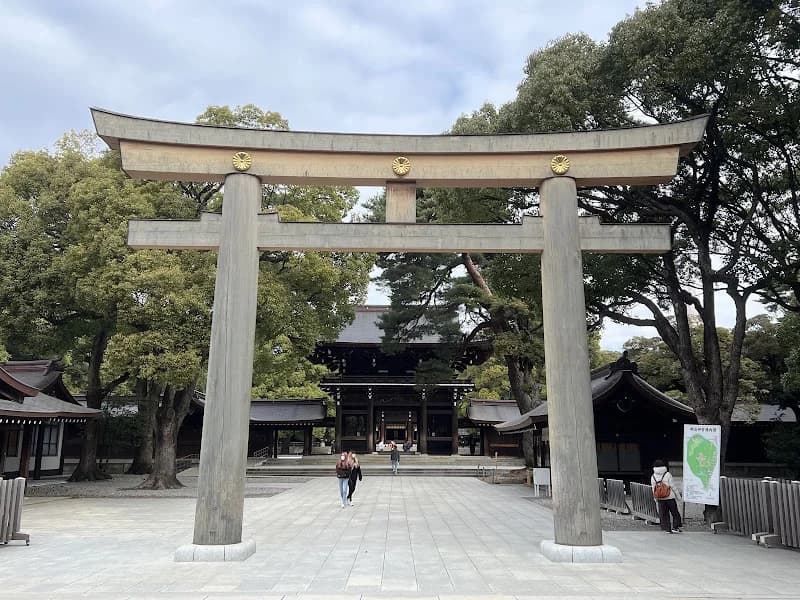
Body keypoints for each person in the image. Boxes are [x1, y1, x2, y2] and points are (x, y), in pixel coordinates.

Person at [651, 459, 683, 533]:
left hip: (660, 498)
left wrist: (655, 498)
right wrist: (678, 497)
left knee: (664, 514)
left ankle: (667, 529)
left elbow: (653, 489)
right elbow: (673, 486)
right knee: (675, 512)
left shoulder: (653, 476)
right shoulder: (667, 474)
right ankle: (675, 527)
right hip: (670, 497)